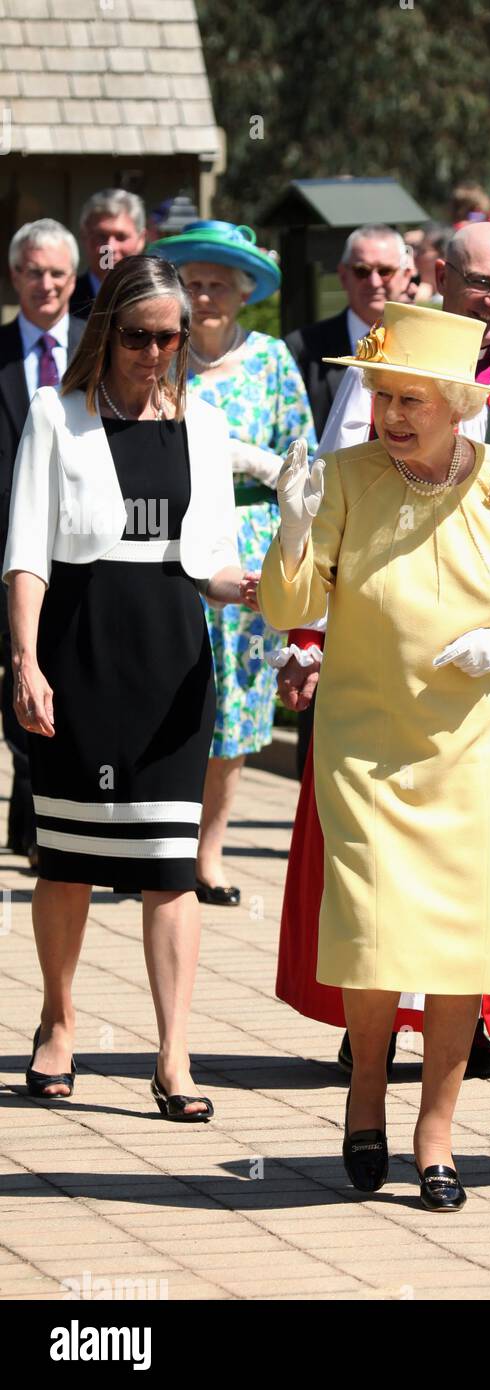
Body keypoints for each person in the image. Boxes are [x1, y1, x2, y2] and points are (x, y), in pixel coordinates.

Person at [277, 220, 490, 1080]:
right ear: (442, 278)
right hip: (379, 680)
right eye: (481, 286)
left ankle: (472, 1021)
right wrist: (308, 638)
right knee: (373, 876)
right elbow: (329, 522)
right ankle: (374, 1023)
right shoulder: (384, 377)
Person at [258, 303, 490, 1205]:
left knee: (461, 947)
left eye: (409, 401)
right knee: (373, 933)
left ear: (457, 405)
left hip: (471, 754)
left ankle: (436, 1132)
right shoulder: (345, 477)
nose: (389, 415)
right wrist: (290, 530)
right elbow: (288, 610)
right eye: (380, 396)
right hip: (363, 750)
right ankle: (365, 1095)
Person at [4, 254, 246, 1117]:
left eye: (168, 337)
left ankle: (174, 1057)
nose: (153, 353)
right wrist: (25, 665)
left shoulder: (205, 426)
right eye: (138, 336)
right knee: (66, 862)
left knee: (170, 867)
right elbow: (27, 553)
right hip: (79, 652)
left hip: (173, 659)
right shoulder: (55, 415)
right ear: (107, 332)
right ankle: (59, 1022)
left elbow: (210, 559)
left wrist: (244, 585)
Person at [149, 220, 316, 906]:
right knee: (166, 693)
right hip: (169, 540)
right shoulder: (159, 354)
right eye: (193, 284)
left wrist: (259, 467)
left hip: (249, 539)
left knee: (239, 709)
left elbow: (304, 461)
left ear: (243, 293)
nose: (206, 295)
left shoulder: (272, 358)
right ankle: (158, 845)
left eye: (219, 284)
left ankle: (207, 855)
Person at [1, 220, 86, 870]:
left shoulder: (97, 351)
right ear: (15, 277)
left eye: (58, 272)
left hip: (77, 558)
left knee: (58, 686)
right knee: (19, 691)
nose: (46, 284)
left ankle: (41, 828)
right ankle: (31, 824)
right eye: (34, 271)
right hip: (6, 558)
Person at [285, 225, 417, 437]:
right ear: (343, 275)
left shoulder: (424, 346)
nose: (374, 282)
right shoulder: (301, 348)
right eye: (361, 271)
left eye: (385, 271)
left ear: (406, 275)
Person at [70, 190, 147, 318]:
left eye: (121, 236)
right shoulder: (63, 302)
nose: (110, 247)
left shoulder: (158, 298)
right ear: (84, 237)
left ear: (141, 239)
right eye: (101, 236)